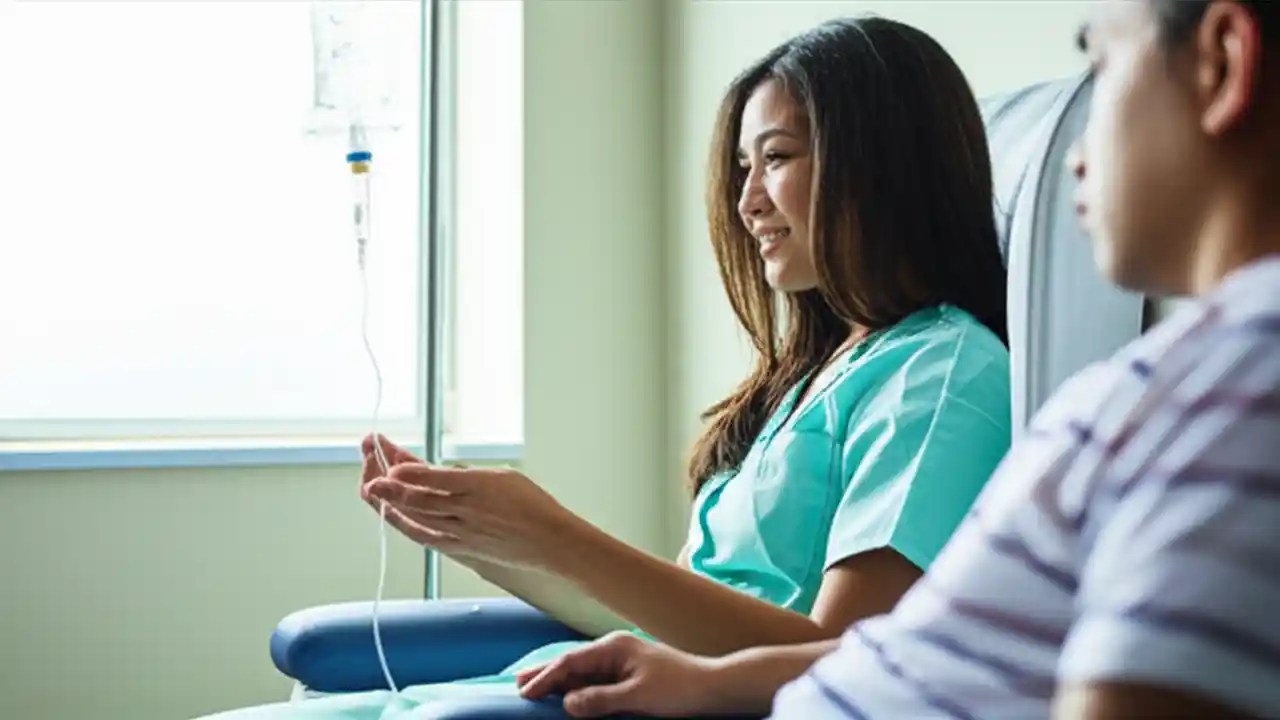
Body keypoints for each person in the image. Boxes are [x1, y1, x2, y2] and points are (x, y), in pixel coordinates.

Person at [201, 16, 1012, 720]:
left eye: (777, 158)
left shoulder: (944, 374)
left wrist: (556, 533)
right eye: (742, 169)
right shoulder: (822, 368)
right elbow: (674, 612)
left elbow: (844, 659)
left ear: (882, 166)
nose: (746, 202)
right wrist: (495, 541)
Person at [516, 1, 1280, 718]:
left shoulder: (1228, 395)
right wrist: (704, 679)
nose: (1074, 151)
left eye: (1103, 69)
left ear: (1220, 64)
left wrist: (555, 539)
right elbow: (907, 655)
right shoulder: (1136, 399)